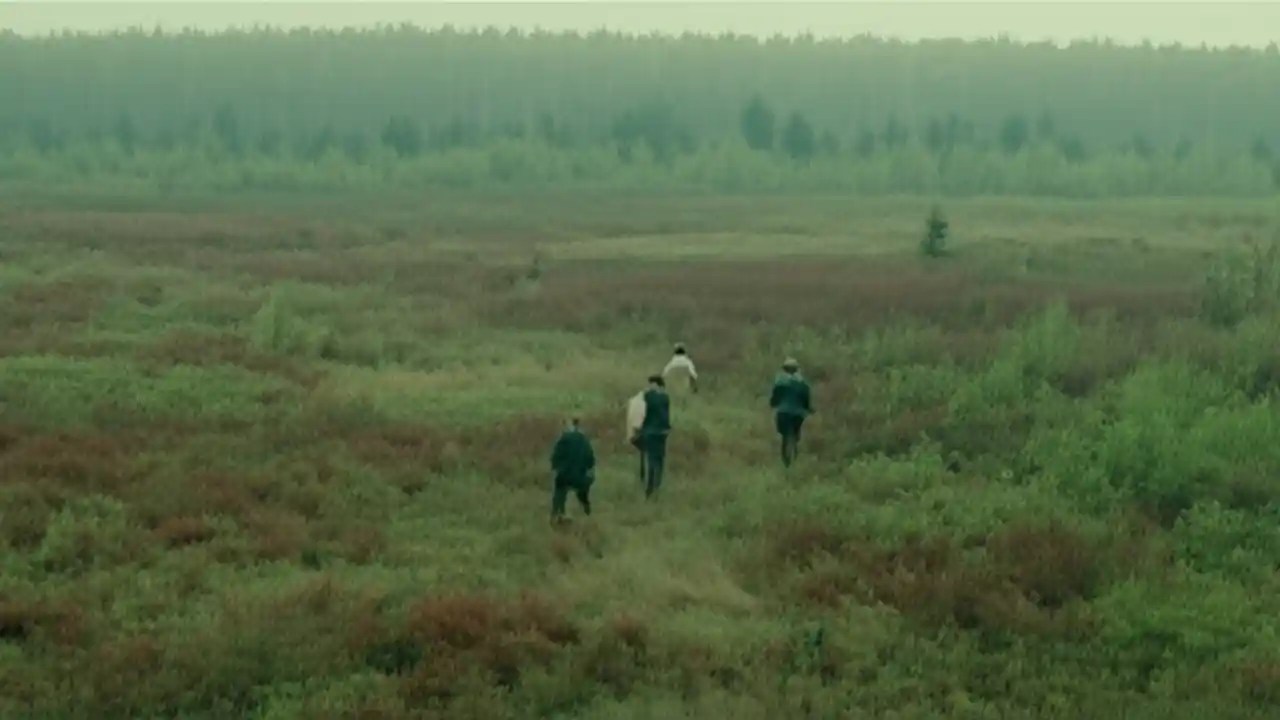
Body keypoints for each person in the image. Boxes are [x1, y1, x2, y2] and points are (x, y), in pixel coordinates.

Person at [550, 417, 596, 524]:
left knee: (559, 490)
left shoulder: (563, 440)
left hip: (565, 476)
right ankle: (586, 509)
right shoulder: (584, 440)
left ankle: (557, 513)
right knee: (583, 493)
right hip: (581, 477)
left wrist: (556, 469)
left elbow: (555, 458)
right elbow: (591, 460)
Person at [770, 357, 812, 468]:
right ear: (797, 369)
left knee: (784, 435)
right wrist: (808, 409)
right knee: (796, 434)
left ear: (784, 369)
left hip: (783, 413)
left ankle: (785, 461)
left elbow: (774, 399)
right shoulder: (802, 384)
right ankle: (795, 454)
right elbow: (806, 401)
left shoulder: (779, 382)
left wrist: (774, 404)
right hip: (798, 414)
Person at [640, 374, 671, 498]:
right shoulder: (665, 398)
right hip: (662, 432)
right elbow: (666, 415)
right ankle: (657, 485)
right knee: (660, 459)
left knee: (651, 459)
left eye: (651, 384)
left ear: (655, 384)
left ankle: (650, 487)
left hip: (650, 431)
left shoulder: (648, 396)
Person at [627, 389, 647, 483]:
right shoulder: (643, 402)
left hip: (633, 435)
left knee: (643, 455)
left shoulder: (633, 401)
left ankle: (643, 475)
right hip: (641, 433)